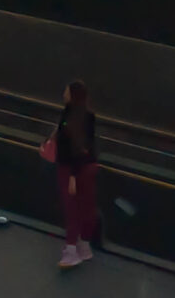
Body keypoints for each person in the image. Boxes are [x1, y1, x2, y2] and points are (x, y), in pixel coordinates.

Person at [54, 80, 100, 269]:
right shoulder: (87, 116)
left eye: (66, 91)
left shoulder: (71, 116)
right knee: (87, 206)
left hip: (71, 169)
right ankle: (84, 245)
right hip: (88, 167)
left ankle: (71, 250)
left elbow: (76, 148)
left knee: (72, 207)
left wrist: (72, 175)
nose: (63, 93)